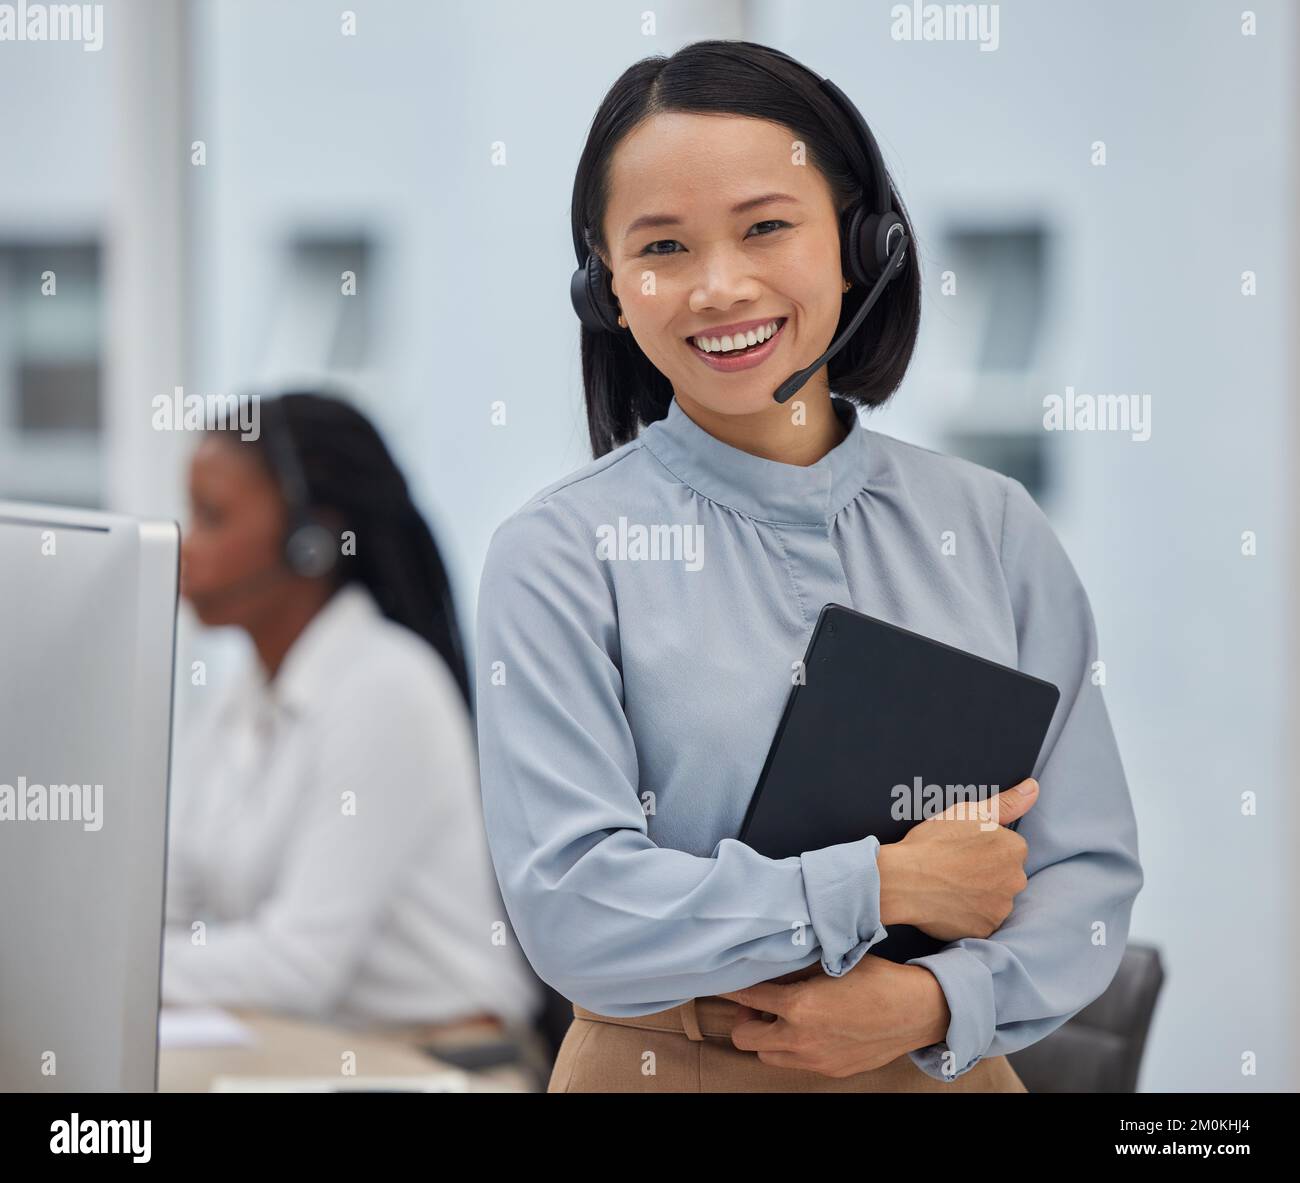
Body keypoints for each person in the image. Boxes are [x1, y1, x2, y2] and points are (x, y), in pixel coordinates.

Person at [474, 41, 1142, 1092]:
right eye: (663, 248)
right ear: (605, 287)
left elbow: (1086, 874)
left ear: (861, 244)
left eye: (766, 227)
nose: (718, 286)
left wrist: (930, 1001)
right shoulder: (559, 556)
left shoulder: (994, 528)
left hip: (944, 1073)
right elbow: (575, 909)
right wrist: (875, 886)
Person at [164, 390, 541, 1052]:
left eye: (212, 516)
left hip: (445, 1058)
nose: (182, 546)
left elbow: (298, 965)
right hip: (321, 1043)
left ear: (312, 539)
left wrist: (122, 966)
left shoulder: (385, 686)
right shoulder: (240, 697)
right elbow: (168, 900)